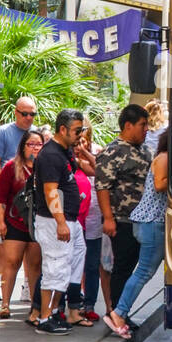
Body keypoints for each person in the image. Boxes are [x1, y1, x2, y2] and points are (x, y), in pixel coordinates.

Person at [31, 109, 94, 335]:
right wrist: (60, 221)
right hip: (54, 221)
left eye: (82, 130)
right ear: (63, 129)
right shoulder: (50, 155)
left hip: (70, 220)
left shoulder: (65, 151)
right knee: (55, 267)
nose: (80, 135)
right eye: (77, 131)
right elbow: (50, 191)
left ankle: (56, 310)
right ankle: (45, 317)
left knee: (70, 263)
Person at [105, 132, 168, 339]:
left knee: (143, 270)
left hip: (150, 222)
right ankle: (119, 313)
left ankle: (119, 311)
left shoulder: (162, 157)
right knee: (143, 272)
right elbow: (160, 185)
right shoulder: (165, 158)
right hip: (152, 222)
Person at [95, 105, 151, 328]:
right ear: (128, 125)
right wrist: (108, 218)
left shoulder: (145, 150)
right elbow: (102, 187)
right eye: (142, 125)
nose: (146, 129)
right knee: (122, 267)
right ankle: (116, 312)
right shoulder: (113, 151)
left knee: (133, 267)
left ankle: (122, 311)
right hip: (121, 219)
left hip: (142, 219)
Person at [0, 128, 44, 320]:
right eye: (30, 144)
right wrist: (0, 222)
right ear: (23, 146)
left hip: (37, 223)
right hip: (14, 221)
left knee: (34, 264)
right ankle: (5, 304)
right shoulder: (11, 167)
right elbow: (1, 197)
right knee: (12, 261)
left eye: (38, 144)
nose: (34, 148)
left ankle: (35, 305)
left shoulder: (44, 167)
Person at [78, 121, 104, 324]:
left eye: (84, 139)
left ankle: (89, 304)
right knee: (73, 263)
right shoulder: (65, 154)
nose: (81, 143)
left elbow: (99, 170)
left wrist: (84, 154)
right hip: (76, 217)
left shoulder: (97, 152)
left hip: (94, 217)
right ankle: (74, 303)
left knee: (92, 264)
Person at [0, 96, 39, 179]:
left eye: (32, 114)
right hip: (9, 181)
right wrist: (2, 184)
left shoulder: (38, 133)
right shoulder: (3, 132)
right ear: (16, 112)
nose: (29, 117)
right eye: (24, 114)